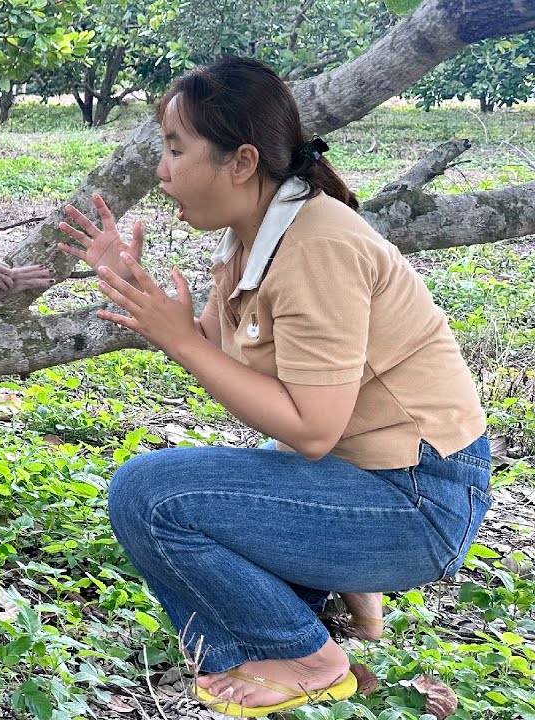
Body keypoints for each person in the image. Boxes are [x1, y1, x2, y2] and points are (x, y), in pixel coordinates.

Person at [57, 56, 490, 717]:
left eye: (176, 149)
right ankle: (298, 647)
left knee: (146, 495)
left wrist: (176, 339)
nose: (162, 172)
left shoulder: (317, 245)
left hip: (417, 501)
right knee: (208, 625)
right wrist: (134, 287)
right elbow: (213, 363)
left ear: (241, 161)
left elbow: (312, 431)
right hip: (358, 484)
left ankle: (312, 658)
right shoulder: (248, 237)